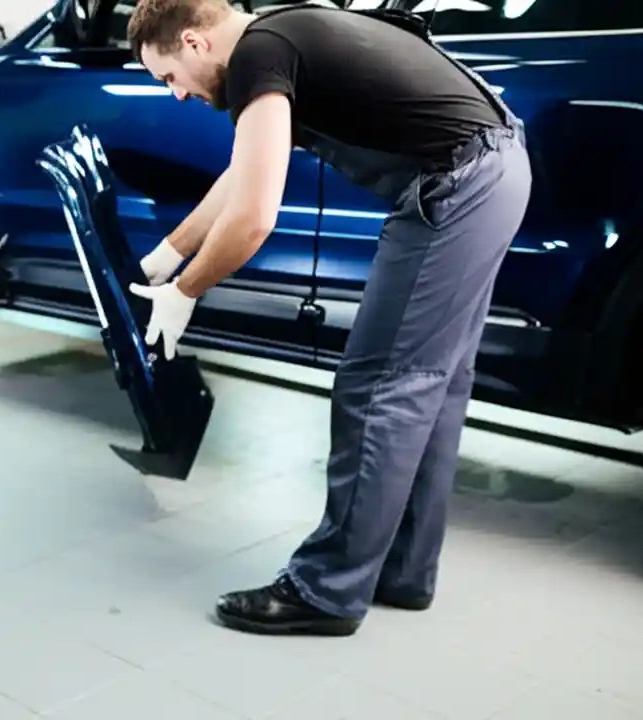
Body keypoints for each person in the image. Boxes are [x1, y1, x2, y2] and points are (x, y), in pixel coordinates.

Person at [125, 0, 531, 636]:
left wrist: (188, 289)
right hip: (498, 170)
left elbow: (256, 215)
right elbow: (242, 174)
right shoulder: (284, 33)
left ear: (195, 42)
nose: (175, 94)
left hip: (460, 185)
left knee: (379, 389)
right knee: (433, 384)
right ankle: (401, 570)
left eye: (168, 76)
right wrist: (169, 253)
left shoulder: (260, 51)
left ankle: (327, 589)